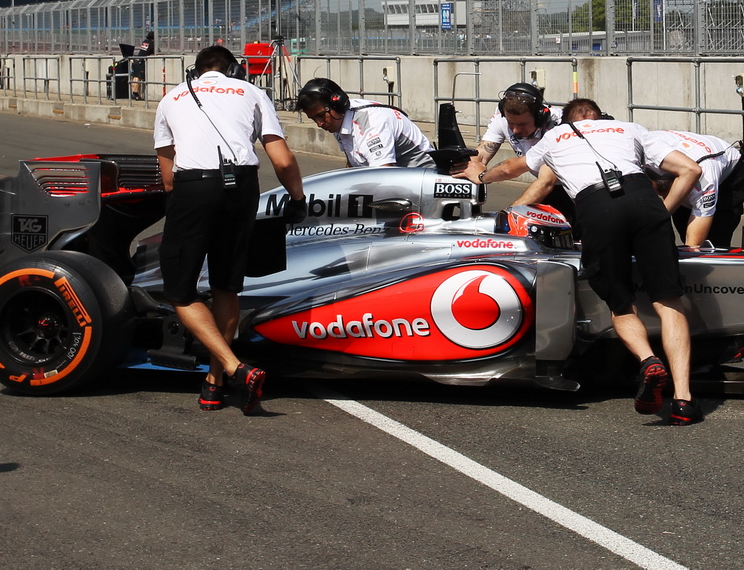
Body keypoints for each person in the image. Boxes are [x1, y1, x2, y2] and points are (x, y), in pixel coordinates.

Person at [473, 98, 706, 424]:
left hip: (597, 206)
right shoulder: (631, 128)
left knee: (620, 304)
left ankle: (648, 360)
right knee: (668, 300)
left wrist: (481, 176)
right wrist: (661, 213)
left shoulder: (555, 136)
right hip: (644, 200)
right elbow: (691, 169)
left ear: (566, 121)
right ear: (600, 117)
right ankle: (684, 401)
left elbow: (515, 167)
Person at [153, 45, 306, 415]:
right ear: (235, 70)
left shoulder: (172, 97)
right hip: (241, 187)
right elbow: (282, 159)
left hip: (194, 187)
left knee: (179, 290)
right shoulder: (253, 93)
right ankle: (213, 383)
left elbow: (168, 178)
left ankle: (236, 368)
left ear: (195, 71)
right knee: (226, 285)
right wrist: (298, 198)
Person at [461, 82, 571, 217]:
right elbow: (481, 156)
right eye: (511, 123)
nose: (515, 130)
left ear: (539, 116)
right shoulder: (502, 119)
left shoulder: (558, 126)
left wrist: (505, 218)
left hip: (572, 188)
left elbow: (546, 181)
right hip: (548, 185)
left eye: (522, 124)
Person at [643, 129, 744, 249]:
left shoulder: (705, 181)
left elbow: (694, 244)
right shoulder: (644, 152)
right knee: (682, 225)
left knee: (716, 237)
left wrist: (692, 252)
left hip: (727, 171)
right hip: (684, 148)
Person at [295, 77, 434, 168]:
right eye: (313, 119)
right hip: (395, 178)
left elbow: (383, 176)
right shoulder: (338, 119)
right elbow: (352, 164)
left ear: (338, 103)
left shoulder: (373, 124)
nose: (319, 124)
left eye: (320, 116)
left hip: (422, 178)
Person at [130, 30, 155, 100]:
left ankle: (134, 93)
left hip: (137, 59)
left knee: (135, 77)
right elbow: (156, 51)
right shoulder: (152, 43)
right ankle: (136, 94)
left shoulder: (145, 41)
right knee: (138, 78)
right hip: (141, 61)